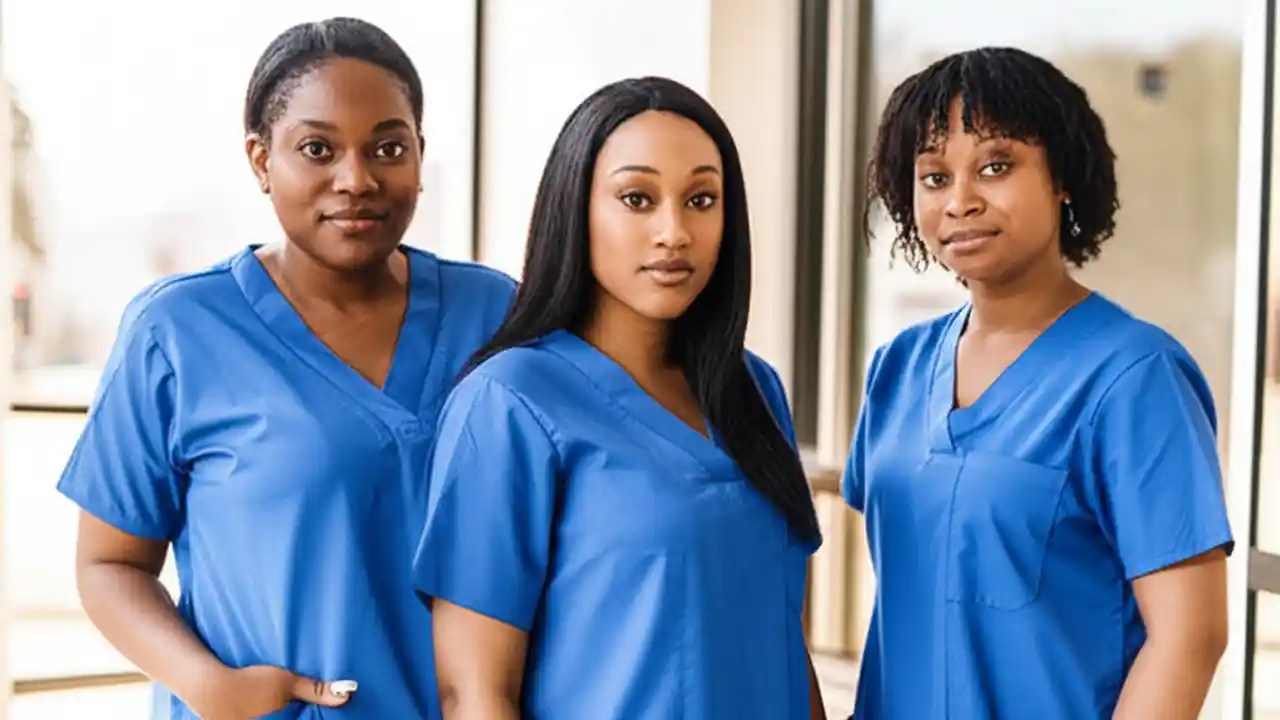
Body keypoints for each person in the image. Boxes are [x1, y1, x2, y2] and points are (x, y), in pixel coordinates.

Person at [58, 17, 515, 720]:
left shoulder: (494, 314)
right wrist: (209, 684)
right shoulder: (179, 331)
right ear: (261, 159)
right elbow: (110, 564)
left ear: (420, 154)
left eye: (388, 147)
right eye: (317, 149)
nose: (356, 179)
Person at [411, 76, 827, 719]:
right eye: (637, 198)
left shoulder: (754, 389)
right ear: (575, 208)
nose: (674, 232)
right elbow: (474, 693)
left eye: (701, 199)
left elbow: (783, 642)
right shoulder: (510, 402)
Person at [843, 46, 1232, 719]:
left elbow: (1190, 635)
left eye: (996, 166)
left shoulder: (1135, 378)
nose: (961, 200)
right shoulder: (897, 371)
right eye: (934, 177)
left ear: (1062, 179)